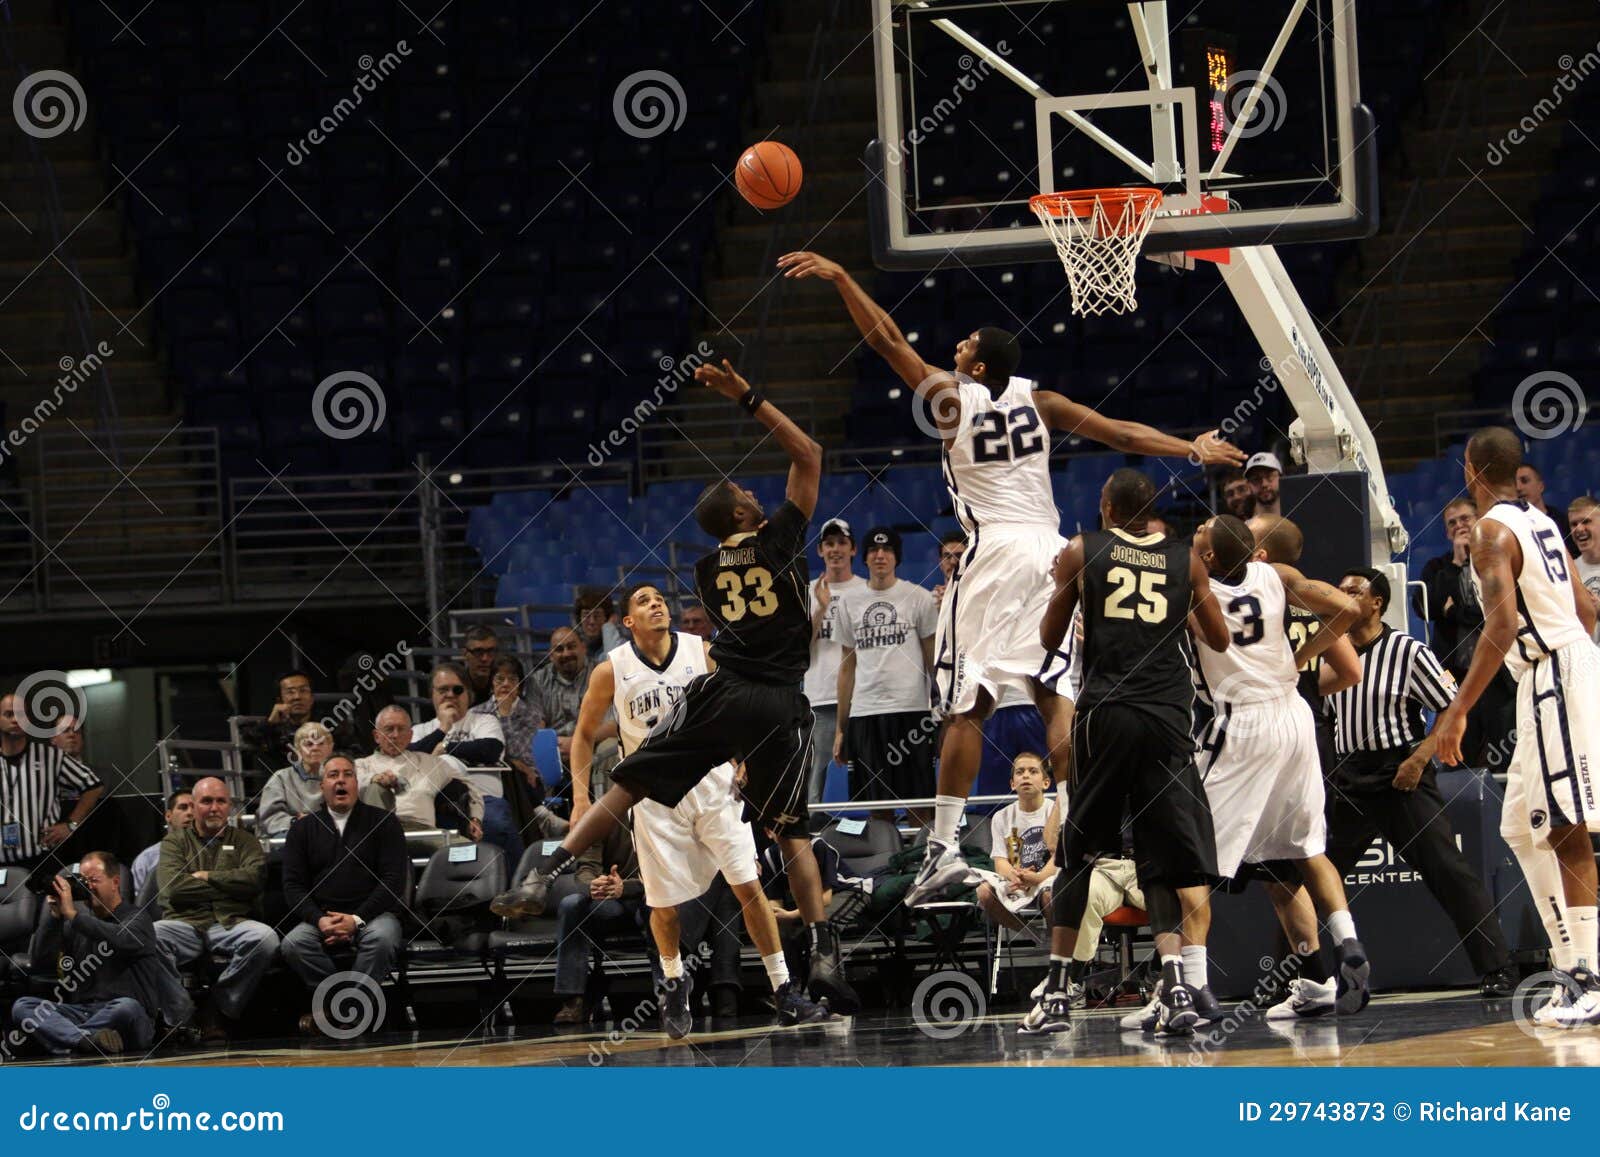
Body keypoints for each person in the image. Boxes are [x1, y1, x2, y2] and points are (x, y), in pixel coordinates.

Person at [776, 249, 1243, 908]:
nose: (956, 346)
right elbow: (1123, 435)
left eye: (965, 345)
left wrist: (844, 277)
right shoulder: (1042, 399)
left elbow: (884, 340)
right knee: (1052, 692)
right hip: (1051, 550)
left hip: (993, 552)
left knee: (971, 702)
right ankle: (1082, 827)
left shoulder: (948, 400)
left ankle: (939, 847)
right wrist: (1189, 446)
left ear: (977, 367)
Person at [491, 358, 851, 1022]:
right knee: (790, 830)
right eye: (748, 491)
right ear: (748, 509)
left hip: (723, 692)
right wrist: (747, 392)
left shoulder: (709, 568)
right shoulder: (778, 539)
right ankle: (824, 948)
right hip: (778, 701)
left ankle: (547, 865)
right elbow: (808, 451)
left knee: (625, 780)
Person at [1021, 468, 1230, 1036]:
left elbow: (1047, 637)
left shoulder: (1082, 548)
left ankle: (1060, 990)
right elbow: (1219, 638)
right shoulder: (1186, 558)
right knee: (1159, 857)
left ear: (1107, 508)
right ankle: (1175, 987)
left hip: (1107, 713)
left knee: (1079, 852)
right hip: (1166, 717)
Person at [1431, 427, 1600, 1025]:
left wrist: (1457, 710)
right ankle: (1570, 965)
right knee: (1521, 828)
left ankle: (1588, 974)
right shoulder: (1543, 521)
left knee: (1564, 828)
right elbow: (1587, 608)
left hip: (1552, 668)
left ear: (1472, 470)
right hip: (1556, 667)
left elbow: (1500, 629)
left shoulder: (1490, 532)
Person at [1186, 515, 1371, 1022]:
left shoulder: (1193, 587)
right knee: (1305, 851)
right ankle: (1347, 947)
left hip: (1242, 723)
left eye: (1202, 530)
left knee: (1192, 855)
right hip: (1293, 714)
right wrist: (1302, 654)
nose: (1200, 525)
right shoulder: (1280, 577)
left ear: (1208, 557)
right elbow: (1349, 608)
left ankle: (1189, 989)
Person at [1325, 567, 1516, 996]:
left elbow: (1451, 708)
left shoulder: (1407, 651)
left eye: (1352, 591)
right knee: (1316, 878)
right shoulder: (1329, 651)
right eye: (1338, 590)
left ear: (1377, 602)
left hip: (1401, 776)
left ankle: (1499, 969)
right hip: (1350, 778)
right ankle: (1301, 978)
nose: (1342, 597)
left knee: (1448, 871)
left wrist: (1418, 758)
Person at [12, 851, 192, 1056]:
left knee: (127, 1007)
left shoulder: (137, 919)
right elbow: (42, 962)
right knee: (24, 1006)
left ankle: (65, 1038)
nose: (88, 887)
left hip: (128, 1016)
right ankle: (84, 1039)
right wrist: (54, 918)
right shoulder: (75, 924)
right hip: (83, 1012)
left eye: (94, 880)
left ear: (115, 882)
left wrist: (73, 915)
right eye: (82, 881)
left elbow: (119, 938)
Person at [279, 755, 408, 1036]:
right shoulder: (302, 828)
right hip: (322, 917)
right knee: (293, 944)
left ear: (356, 783)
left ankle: (341, 1010)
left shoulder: (384, 822)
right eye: (333, 775)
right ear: (322, 785)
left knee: (382, 938)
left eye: (347, 774)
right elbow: (292, 886)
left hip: (373, 916)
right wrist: (319, 920)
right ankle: (348, 1008)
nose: (340, 780)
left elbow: (393, 882)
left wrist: (357, 919)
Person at [153, 777, 278, 1042]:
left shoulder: (246, 841)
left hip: (230, 923)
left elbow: (253, 881)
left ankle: (219, 1008)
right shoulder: (174, 843)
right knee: (152, 935)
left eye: (221, 801)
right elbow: (174, 890)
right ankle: (181, 1018)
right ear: (195, 805)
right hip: (185, 923)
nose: (214, 808)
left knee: (265, 938)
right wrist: (231, 885)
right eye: (206, 801)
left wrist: (208, 876)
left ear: (230, 806)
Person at [834, 526, 938, 824]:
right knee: (877, 804)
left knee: (920, 802)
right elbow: (846, 667)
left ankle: (922, 862)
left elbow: (932, 660)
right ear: (864, 558)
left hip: (912, 710)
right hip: (866, 713)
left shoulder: (918, 597)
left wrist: (940, 710)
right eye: (873, 551)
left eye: (888, 550)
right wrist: (842, 728)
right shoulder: (849, 602)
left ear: (897, 557)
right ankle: (885, 865)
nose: (880, 555)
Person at [410, 662, 517, 864]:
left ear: (468, 694)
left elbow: (490, 749)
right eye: (443, 690)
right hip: (435, 803)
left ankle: (506, 886)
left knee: (495, 822)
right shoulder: (421, 730)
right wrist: (443, 728)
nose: (450, 695)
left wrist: (445, 748)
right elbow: (409, 758)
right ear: (432, 694)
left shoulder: (484, 721)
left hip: (484, 799)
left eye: (457, 690)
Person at [551, 822, 647, 1025]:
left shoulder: (663, 811)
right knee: (572, 904)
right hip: (613, 902)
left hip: (650, 898)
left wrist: (626, 887)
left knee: (656, 907)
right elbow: (586, 867)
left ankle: (668, 995)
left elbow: (670, 872)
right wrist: (593, 885)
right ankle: (573, 1001)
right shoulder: (607, 814)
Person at [0, 692, 104, 870]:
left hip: (39, 861)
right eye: (9, 714)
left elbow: (93, 786)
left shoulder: (50, 757)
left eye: (21, 715)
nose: (15, 720)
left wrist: (71, 825)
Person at [804, 517, 863, 804]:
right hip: (820, 700)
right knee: (818, 784)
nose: (835, 549)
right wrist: (821, 610)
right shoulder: (806, 593)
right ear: (820, 551)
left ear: (853, 550)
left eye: (842, 543)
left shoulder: (868, 590)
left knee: (865, 776)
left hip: (865, 699)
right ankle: (819, 842)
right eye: (829, 543)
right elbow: (795, 650)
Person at [357, 705, 484, 838]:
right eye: (389, 729)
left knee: (469, 852)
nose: (395, 735)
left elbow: (470, 786)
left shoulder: (431, 763)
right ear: (376, 736)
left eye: (401, 729)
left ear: (410, 735)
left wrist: (475, 818)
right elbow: (351, 785)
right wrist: (375, 778)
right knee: (375, 789)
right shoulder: (361, 765)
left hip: (424, 834)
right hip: (383, 836)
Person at [471, 654, 560, 836]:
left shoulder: (532, 715)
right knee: (509, 768)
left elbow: (520, 752)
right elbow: (480, 753)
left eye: (512, 679)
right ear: (491, 684)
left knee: (512, 770)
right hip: (488, 780)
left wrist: (505, 716)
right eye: (500, 679)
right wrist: (513, 762)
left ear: (520, 686)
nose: (505, 684)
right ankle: (539, 816)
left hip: (528, 781)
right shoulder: (475, 713)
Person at [974, 752, 1057, 934]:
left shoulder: (1056, 810)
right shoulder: (1000, 817)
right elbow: (1000, 861)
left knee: (1051, 894)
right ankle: (1033, 936)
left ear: (1046, 783)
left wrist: (1038, 877)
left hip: (1049, 877)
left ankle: (1055, 941)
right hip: (1017, 880)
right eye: (1020, 772)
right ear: (1013, 784)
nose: (1026, 775)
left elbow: (1059, 857)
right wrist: (1014, 875)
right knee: (984, 892)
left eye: (1033, 771)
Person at [531, 626, 619, 780]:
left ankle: (606, 804)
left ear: (583, 648)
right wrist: (551, 746)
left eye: (571, 647)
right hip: (556, 748)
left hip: (594, 743)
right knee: (536, 751)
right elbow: (536, 725)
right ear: (551, 655)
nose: (566, 653)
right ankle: (545, 803)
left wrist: (577, 741)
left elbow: (614, 725)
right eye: (559, 649)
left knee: (611, 747)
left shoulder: (601, 674)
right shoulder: (538, 680)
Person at [256, 721, 334, 838]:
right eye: (309, 744)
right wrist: (296, 822)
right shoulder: (281, 778)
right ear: (298, 749)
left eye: (320, 743)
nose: (315, 748)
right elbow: (269, 818)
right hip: (291, 834)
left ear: (330, 748)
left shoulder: (339, 777)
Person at [239, 670, 316, 767]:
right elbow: (245, 746)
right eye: (290, 692)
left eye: (303, 690)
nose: (297, 697)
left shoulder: (327, 724)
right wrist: (270, 724)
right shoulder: (272, 730)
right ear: (279, 700)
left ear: (312, 698)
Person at [132, 789, 193, 900]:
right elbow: (140, 907)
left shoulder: (212, 852)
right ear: (168, 816)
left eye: (194, 808)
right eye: (183, 807)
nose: (190, 813)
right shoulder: (147, 859)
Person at [1567, 495, 1600, 641]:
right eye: (1574, 524)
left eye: (1586, 521)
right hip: (1586, 660)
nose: (1579, 529)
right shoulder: (1569, 572)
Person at [1516, 462, 1570, 553]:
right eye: (1515, 484)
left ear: (1541, 486)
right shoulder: (1512, 525)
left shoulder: (1562, 521)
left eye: (1524, 481)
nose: (1518, 488)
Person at [574, 586, 627, 660]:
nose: (592, 621)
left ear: (607, 619)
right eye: (586, 615)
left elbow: (612, 663)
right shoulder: (573, 645)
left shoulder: (620, 643)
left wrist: (609, 627)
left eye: (597, 615)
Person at [459, 624, 500, 706]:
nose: (485, 658)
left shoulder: (505, 686)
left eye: (490, 651)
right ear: (464, 653)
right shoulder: (456, 687)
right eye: (478, 652)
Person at [1244, 451, 1284, 518]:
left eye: (1269, 476)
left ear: (1281, 477)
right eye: (1256, 479)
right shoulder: (1243, 525)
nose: (1264, 484)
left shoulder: (1298, 515)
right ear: (1249, 485)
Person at [932, 529, 966, 605]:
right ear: (940, 563)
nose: (953, 562)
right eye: (947, 556)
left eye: (959, 556)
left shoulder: (980, 595)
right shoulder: (931, 600)